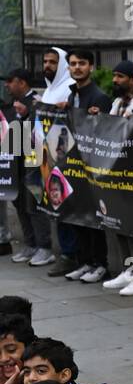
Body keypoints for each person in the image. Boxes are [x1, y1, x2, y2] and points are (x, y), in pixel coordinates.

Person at [50, 49, 111, 280]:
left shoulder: (98, 96)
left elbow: (106, 132)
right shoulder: (72, 94)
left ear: (91, 67)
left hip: (92, 168)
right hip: (73, 165)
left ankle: (100, 263)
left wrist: (97, 116)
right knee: (77, 214)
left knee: (94, 218)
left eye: (82, 63)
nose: (77, 67)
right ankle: (85, 261)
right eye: (73, 64)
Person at [99, 61, 133, 299]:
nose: (115, 81)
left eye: (120, 76)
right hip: (116, 173)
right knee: (118, 222)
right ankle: (128, 270)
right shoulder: (116, 103)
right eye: (114, 76)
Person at [4, 68, 54, 267]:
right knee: (20, 205)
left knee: (34, 205)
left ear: (22, 82)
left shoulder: (36, 102)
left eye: (10, 81)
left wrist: (26, 116)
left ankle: (45, 247)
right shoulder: (13, 104)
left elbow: (42, 130)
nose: (7, 85)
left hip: (33, 162)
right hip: (16, 162)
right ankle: (30, 244)